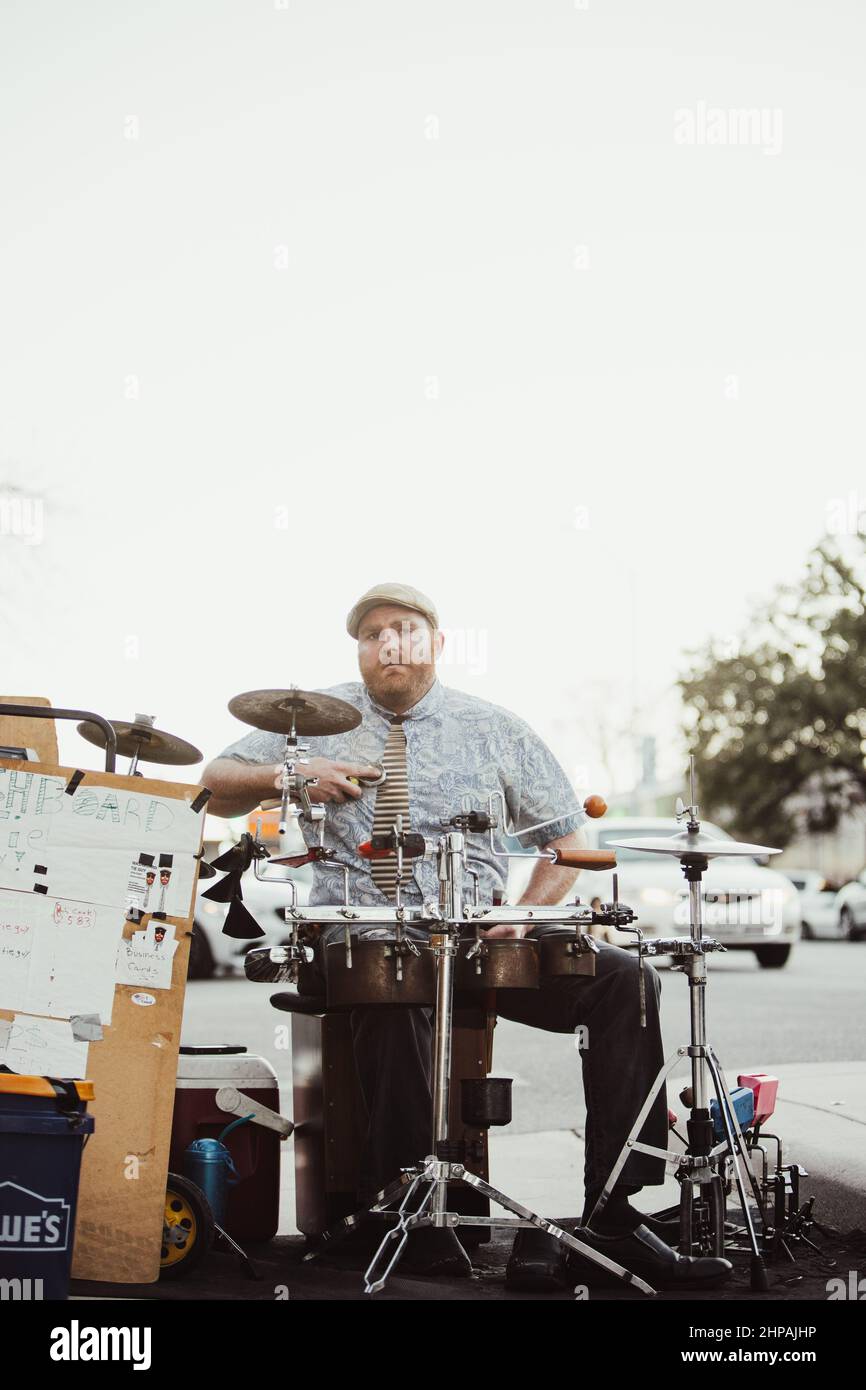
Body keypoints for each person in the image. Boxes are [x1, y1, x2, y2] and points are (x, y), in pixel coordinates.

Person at [202, 582, 731, 1291]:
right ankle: (416, 1210)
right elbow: (215, 780)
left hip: (482, 935)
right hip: (360, 933)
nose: (390, 642)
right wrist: (293, 773)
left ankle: (613, 1212)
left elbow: (569, 841)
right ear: (358, 649)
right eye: (373, 633)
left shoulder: (494, 728)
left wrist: (520, 913)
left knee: (626, 982)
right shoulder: (315, 720)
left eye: (406, 628)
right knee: (386, 976)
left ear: (438, 644)